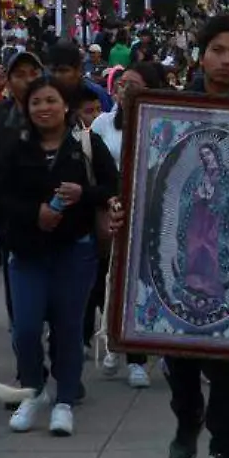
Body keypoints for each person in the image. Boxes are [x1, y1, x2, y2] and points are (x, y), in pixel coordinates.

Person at [164, 14, 229, 458]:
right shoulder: (172, 109)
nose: (225, 61)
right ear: (201, 53)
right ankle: (186, 419)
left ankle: (225, 450)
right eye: (217, 51)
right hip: (191, 241)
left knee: (228, 361)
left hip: (225, 245)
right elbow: (158, 182)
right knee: (177, 353)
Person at [0, 78, 117, 438]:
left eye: (51, 101)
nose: (43, 108)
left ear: (66, 106)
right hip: (27, 253)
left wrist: (84, 193)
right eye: (36, 102)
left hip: (75, 251)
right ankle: (33, 390)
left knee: (69, 329)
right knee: (25, 329)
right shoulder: (15, 148)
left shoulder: (87, 145)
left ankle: (64, 401)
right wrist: (35, 213)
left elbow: (113, 186)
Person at [88, 61, 162, 388]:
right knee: (110, 281)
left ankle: (137, 357)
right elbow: (91, 164)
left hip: (148, 212)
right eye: (122, 83)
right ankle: (111, 341)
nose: (125, 89)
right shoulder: (103, 124)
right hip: (113, 212)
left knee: (139, 285)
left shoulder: (159, 123)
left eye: (134, 83)